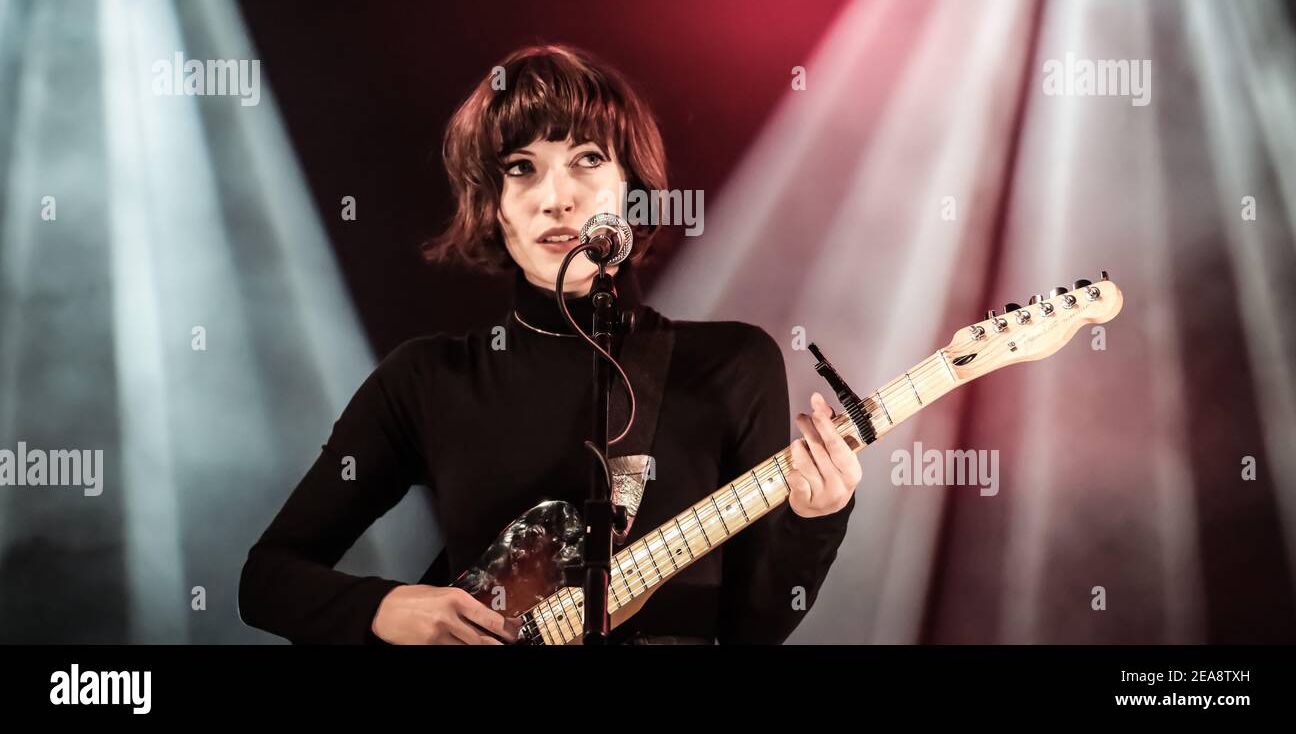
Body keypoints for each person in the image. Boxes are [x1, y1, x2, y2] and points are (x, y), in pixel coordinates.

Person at [237, 43, 860, 644]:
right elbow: (267, 580)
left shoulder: (733, 365)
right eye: (520, 169)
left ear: (631, 186)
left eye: (588, 159)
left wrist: (817, 520)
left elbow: (753, 631)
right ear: (493, 206)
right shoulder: (428, 379)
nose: (557, 198)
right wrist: (382, 608)